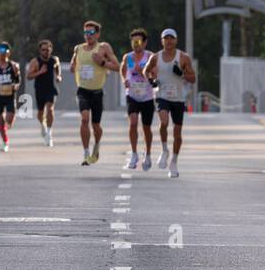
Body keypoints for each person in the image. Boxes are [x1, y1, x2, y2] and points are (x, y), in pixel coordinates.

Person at [143, 28, 196, 178]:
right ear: (162, 41)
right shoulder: (156, 57)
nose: (169, 41)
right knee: (164, 121)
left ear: (176, 40)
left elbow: (193, 79)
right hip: (162, 95)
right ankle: (164, 149)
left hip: (178, 99)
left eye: (171, 38)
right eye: (166, 38)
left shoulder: (183, 57)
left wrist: (183, 74)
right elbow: (145, 71)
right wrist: (151, 80)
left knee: (177, 133)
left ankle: (174, 161)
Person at [70, 20, 120, 166]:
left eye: (91, 33)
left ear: (97, 34)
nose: (88, 36)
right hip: (82, 90)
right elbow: (74, 65)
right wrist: (73, 66)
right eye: (86, 33)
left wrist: (103, 63)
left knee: (96, 125)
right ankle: (86, 152)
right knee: (84, 119)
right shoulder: (78, 48)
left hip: (97, 92)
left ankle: (96, 146)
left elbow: (117, 66)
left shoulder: (103, 47)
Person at [121, 28, 156, 171]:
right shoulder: (127, 57)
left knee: (146, 127)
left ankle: (147, 154)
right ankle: (134, 153)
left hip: (147, 96)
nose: (136, 44)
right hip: (132, 95)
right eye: (133, 41)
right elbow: (123, 70)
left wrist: (147, 73)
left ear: (145, 42)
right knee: (133, 123)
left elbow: (155, 74)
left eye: (139, 41)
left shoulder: (150, 57)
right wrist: (125, 80)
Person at [25, 39, 61, 147]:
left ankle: (49, 134)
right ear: (40, 51)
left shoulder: (54, 60)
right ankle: (43, 125)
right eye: (43, 50)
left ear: (51, 49)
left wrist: (58, 76)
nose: (46, 52)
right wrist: (40, 72)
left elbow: (57, 68)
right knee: (40, 114)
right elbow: (28, 76)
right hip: (40, 89)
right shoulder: (35, 62)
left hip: (51, 88)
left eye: (48, 50)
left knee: (50, 109)